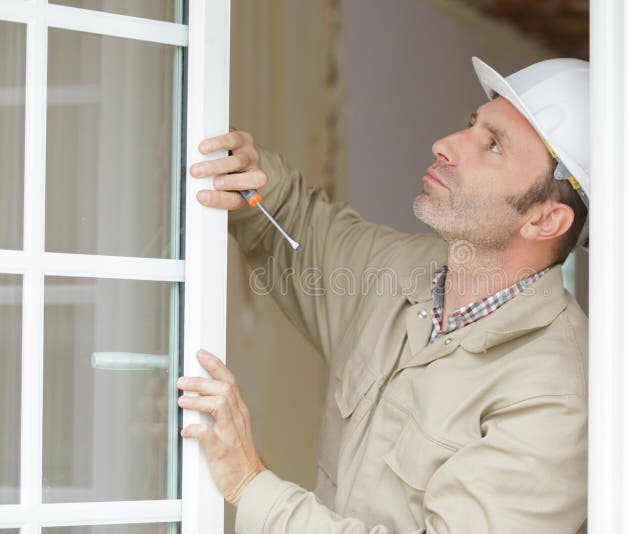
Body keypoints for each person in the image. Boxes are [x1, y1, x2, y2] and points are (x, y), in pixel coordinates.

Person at [177, 57, 591, 533]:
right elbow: (294, 221)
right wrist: (240, 167)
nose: (445, 145)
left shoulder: (555, 396)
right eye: (471, 125)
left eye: (492, 145)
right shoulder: (395, 272)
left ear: (544, 220)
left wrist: (251, 484)